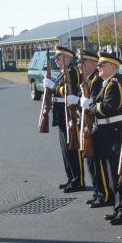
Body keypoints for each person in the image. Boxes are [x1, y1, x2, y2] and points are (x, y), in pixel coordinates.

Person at [80, 51, 122, 225]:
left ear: (113, 67)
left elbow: (108, 107)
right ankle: (118, 208)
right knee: (113, 174)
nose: (99, 68)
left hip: (116, 131)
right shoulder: (107, 83)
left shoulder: (115, 84)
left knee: (121, 173)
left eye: (102, 65)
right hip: (108, 131)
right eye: (98, 65)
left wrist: (91, 106)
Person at [43, 46, 84, 193]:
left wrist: (53, 87)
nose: (56, 61)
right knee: (65, 150)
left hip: (69, 114)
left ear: (67, 59)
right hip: (61, 114)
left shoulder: (72, 72)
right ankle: (70, 177)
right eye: (56, 58)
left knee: (72, 148)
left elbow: (69, 90)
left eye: (59, 58)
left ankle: (77, 180)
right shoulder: (62, 73)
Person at [76, 49, 104, 206]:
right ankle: (97, 191)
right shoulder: (87, 80)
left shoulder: (97, 81)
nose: (79, 66)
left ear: (92, 63)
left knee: (96, 163)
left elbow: (94, 103)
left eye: (82, 63)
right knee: (90, 161)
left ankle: (103, 194)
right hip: (86, 124)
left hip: (93, 126)